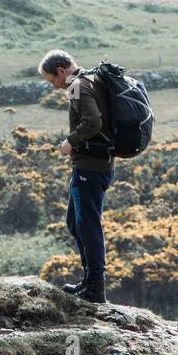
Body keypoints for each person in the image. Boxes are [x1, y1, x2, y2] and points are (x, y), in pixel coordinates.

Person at [38, 49, 114, 304]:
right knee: (75, 222)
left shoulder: (76, 86)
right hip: (98, 164)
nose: (54, 86)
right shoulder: (92, 79)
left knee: (87, 224)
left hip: (90, 167)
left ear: (61, 70)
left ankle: (96, 288)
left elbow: (93, 122)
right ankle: (89, 281)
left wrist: (70, 142)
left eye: (52, 80)